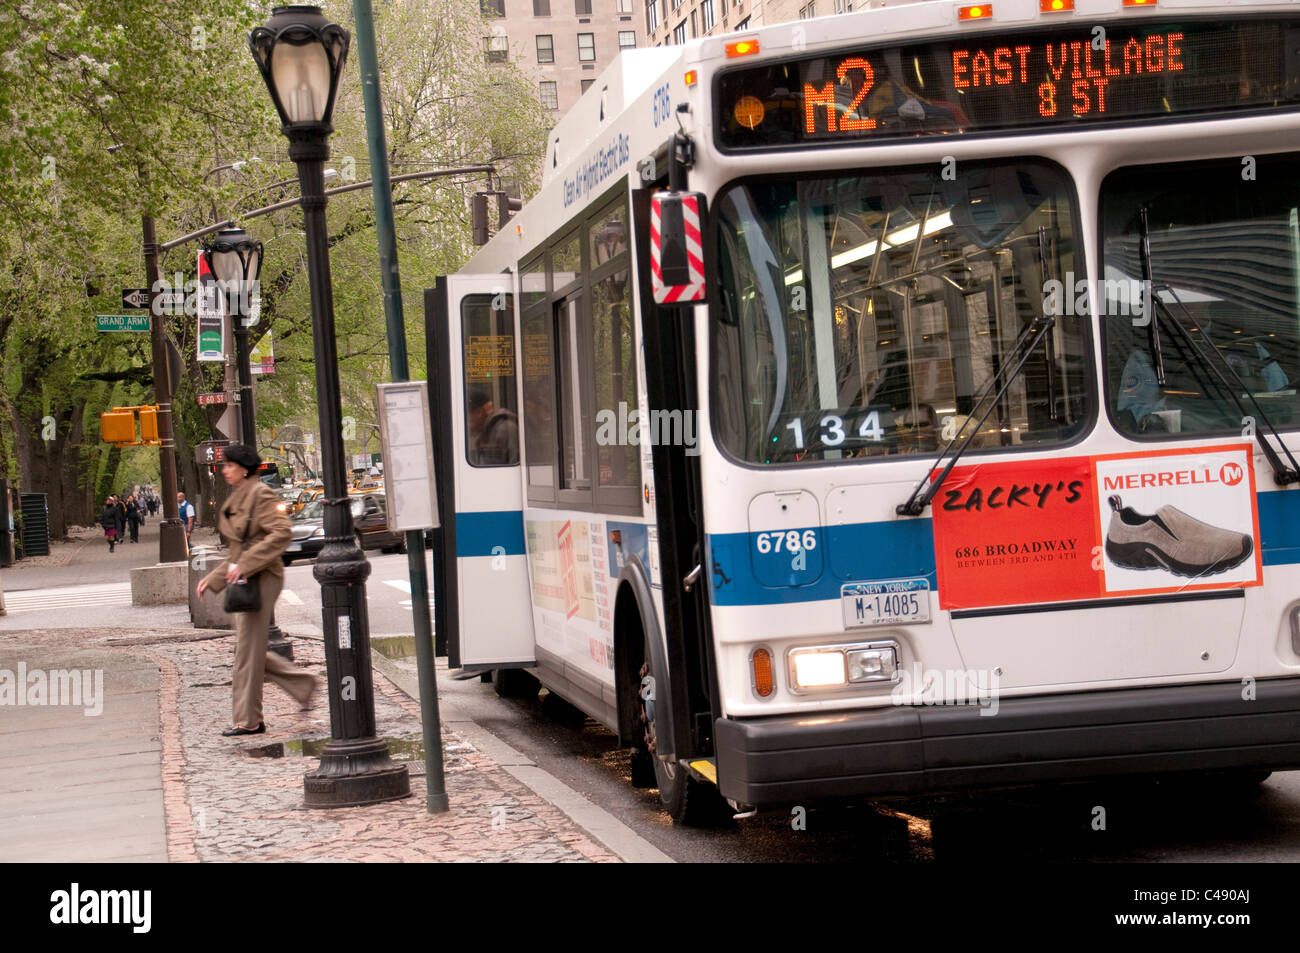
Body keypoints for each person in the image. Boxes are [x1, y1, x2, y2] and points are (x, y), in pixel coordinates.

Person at [196, 444, 317, 736]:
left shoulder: (259, 494)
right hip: (245, 577)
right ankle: (303, 684)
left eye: (228, 465)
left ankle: (249, 719)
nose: (223, 470)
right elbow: (238, 549)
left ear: (244, 468)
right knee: (250, 650)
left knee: (246, 653)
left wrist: (245, 566)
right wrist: (213, 578)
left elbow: (281, 533)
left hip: (262, 579)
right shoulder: (239, 495)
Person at [466, 385, 519, 465]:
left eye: (467, 417)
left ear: (479, 413)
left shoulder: (505, 430)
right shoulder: (489, 432)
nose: (467, 425)